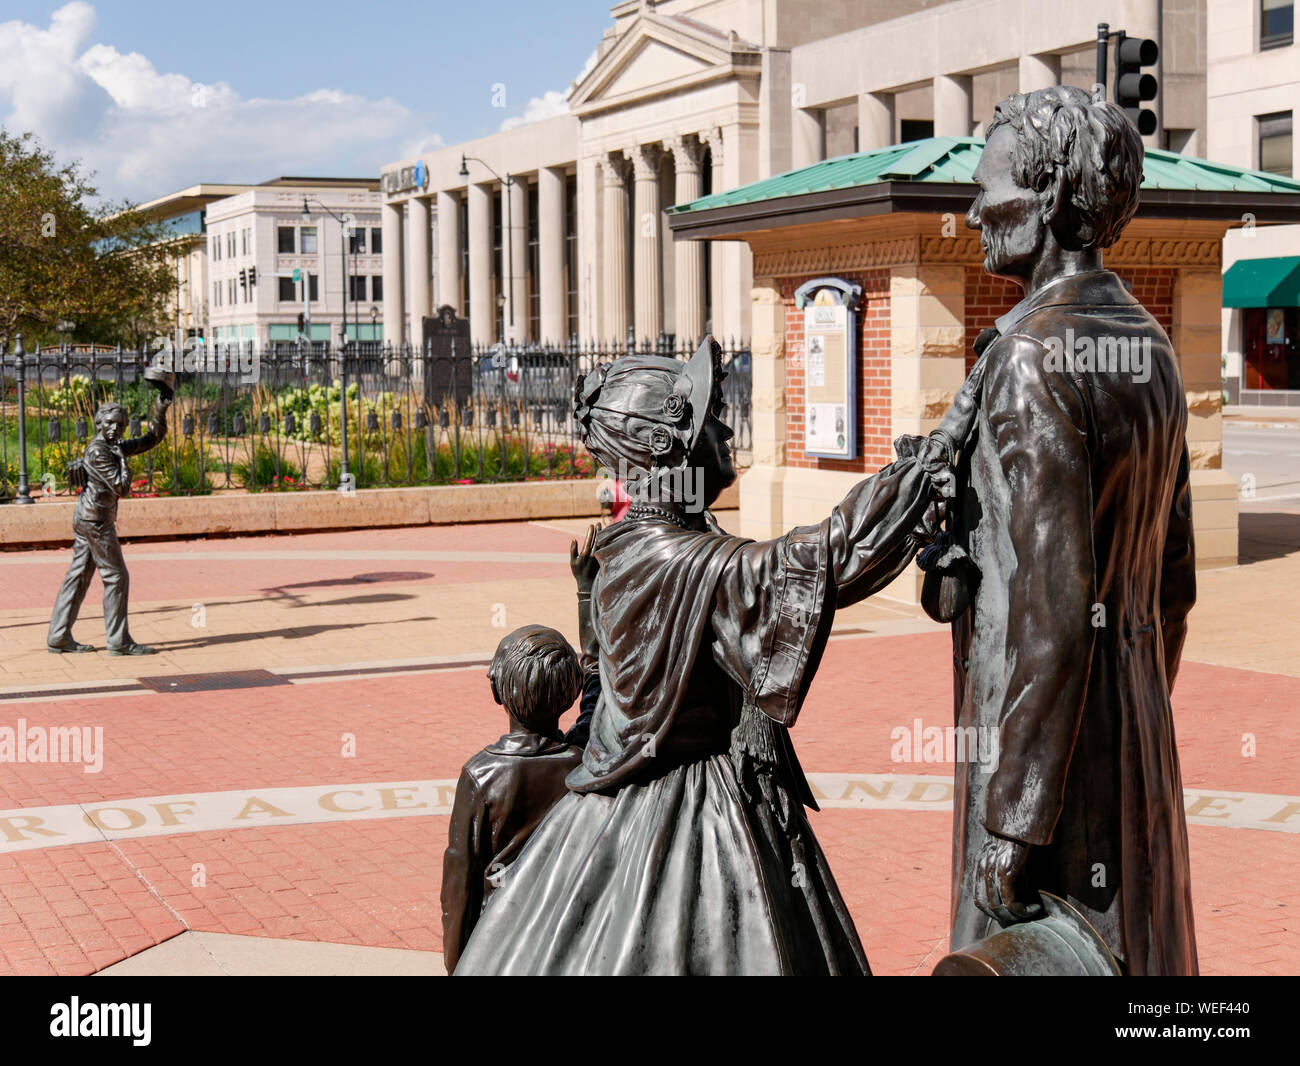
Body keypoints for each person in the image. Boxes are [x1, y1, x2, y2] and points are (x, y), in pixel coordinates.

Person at [453, 338, 950, 975]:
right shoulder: (676, 560)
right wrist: (921, 470)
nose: (725, 430)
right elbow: (821, 560)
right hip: (696, 810)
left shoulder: (645, 544)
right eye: (710, 418)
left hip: (630, 809)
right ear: (668, 445)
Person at [923, 86, 1198, 975]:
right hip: (1133, 724)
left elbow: (1051, 609)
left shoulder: (1031, 357)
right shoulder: (1149, 344)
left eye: (988, 187)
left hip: (1045, 759)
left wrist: (1014, 816)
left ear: (1045, 200)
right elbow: (1177, 581)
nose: (972, 211)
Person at [439, 625, 585, 973]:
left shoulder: (480, 775)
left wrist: (458, 964)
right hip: (567, 933)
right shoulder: (585, 765)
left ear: (497, 687)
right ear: (570, 692)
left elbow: (459, 887)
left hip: (499, 937)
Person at [47, 391, 170, 656]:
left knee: (78, 577)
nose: (116, 428)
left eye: (121, 424)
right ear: (99, 423)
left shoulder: (113, 446)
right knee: (116, 576)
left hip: (89, 518)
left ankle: (58, 636)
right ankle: (119, 641)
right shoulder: (98, 452)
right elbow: (121, 487)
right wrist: (124, 461)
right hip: (96, 522)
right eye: (111, 423)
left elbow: (152, 439)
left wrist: (160, 412)